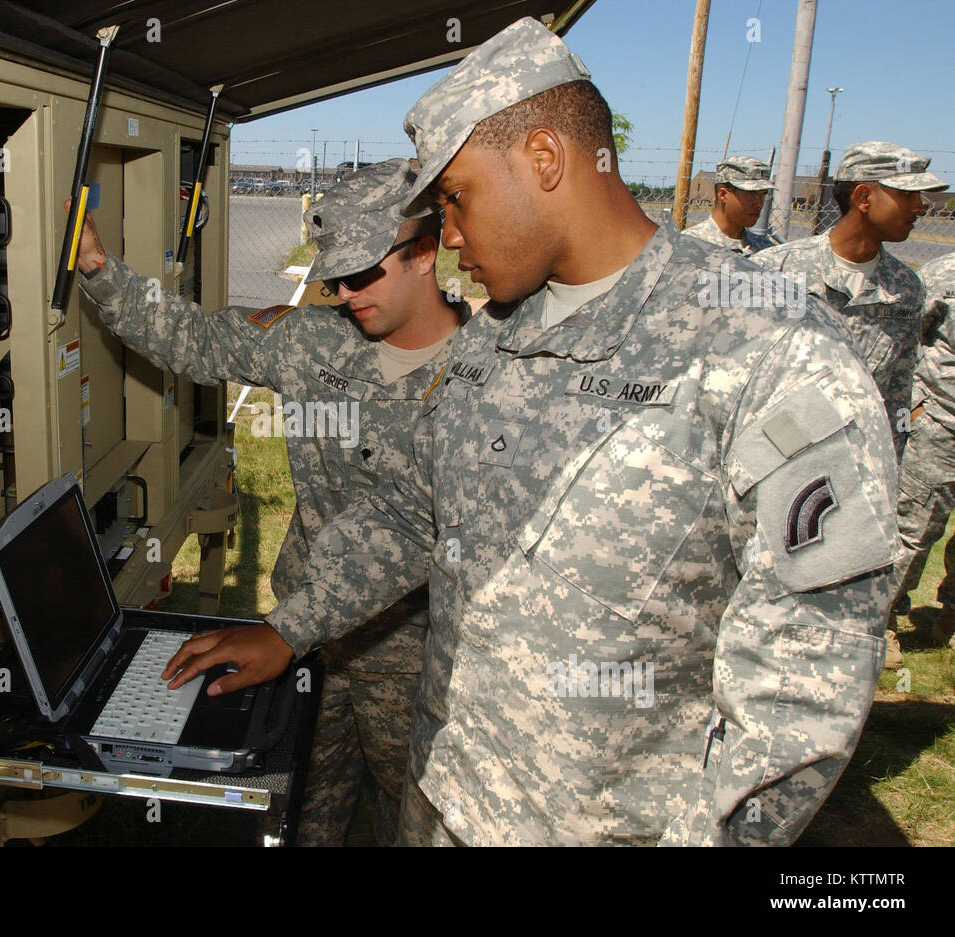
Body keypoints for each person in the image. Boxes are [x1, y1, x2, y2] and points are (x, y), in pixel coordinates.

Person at [162, 16, 897, 846]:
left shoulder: (771, 353)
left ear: (544, 158)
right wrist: (288, 627)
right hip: (442, 798)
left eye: (455, 198)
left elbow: (802, 688)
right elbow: (416, 511)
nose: (449, 235)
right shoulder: (492, 339)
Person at [72, 159, 467, 845]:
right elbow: (194, 339)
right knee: (295, 810)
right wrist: (99, 269)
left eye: (363, 274)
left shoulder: (486, 379)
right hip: (304, 647)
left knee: (414, 821)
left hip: (414, 660)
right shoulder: (312, 342)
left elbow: (426, 526)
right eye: (334, 278)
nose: (346, 294)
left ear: (425, 251)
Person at [754, 142, 948, 462]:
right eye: (907, 194)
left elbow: (897, 390)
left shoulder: (906, 287)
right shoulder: (775, 270)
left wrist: (888, 463)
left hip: (856, 461)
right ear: (863, 197)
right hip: (774, 458)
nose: (920, 206)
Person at [892, 251, 955, 650]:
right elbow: (905, 336)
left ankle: (950, 616)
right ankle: (880, 619)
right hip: (942, 422)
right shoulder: (945, 275)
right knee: (914, 529)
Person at [683, 155, 776, 256]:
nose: (759, 204)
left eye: (763, 195)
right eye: (750, 194)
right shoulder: (689, 245)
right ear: (723, 194)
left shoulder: (765, 250)